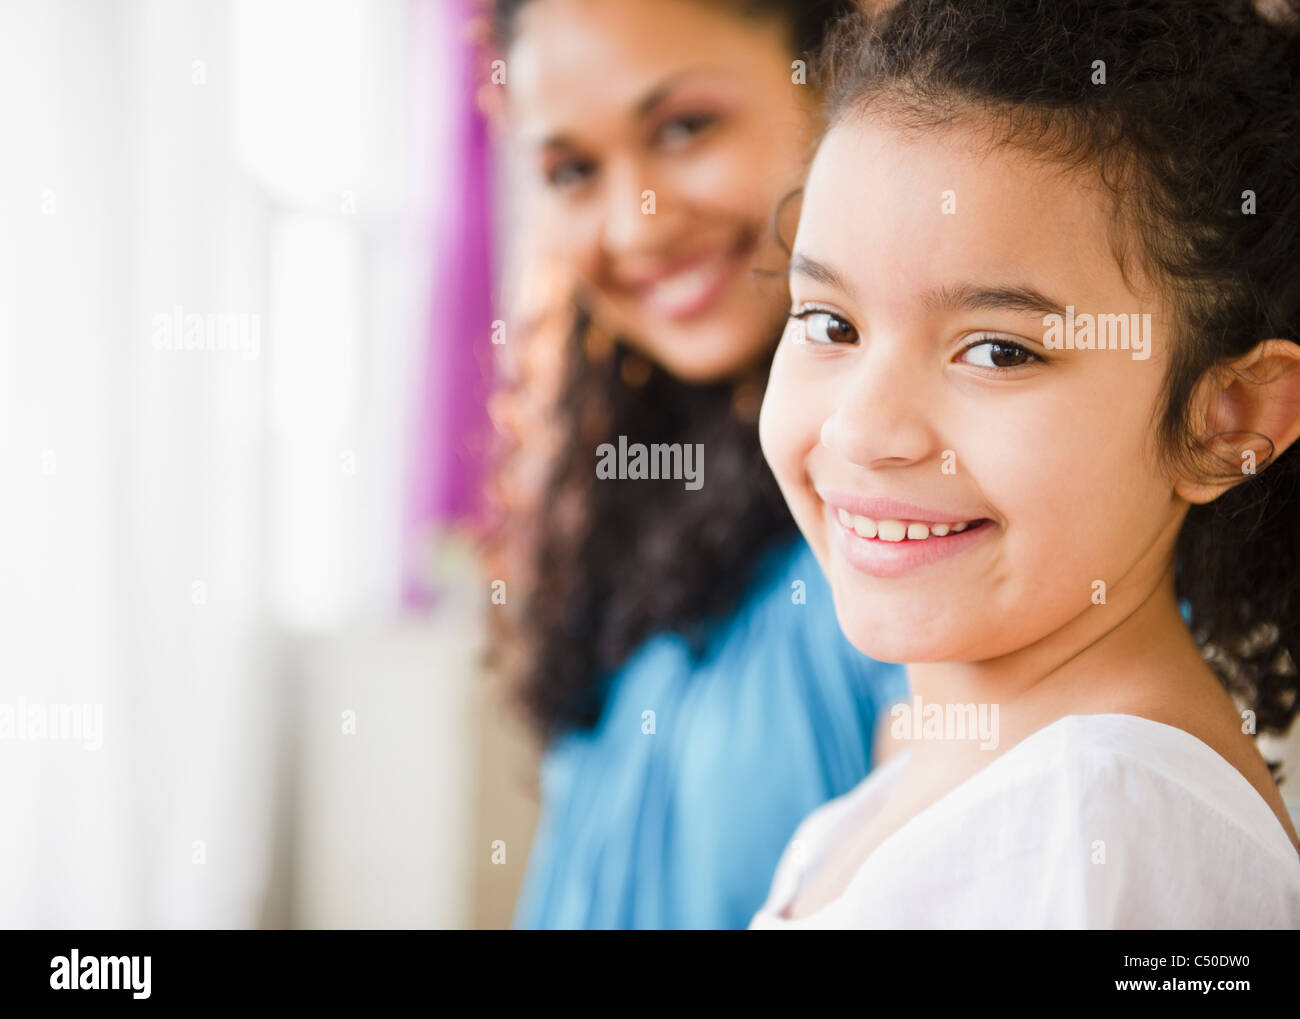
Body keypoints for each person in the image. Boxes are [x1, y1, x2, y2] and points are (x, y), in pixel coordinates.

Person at [751, 0, 1300, 928]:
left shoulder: (1098, 821)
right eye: (830, 323)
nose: (865, 429)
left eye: (1000, 350)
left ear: (1227, 418)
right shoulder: (907, 798)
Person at [479, 0, 908, 929]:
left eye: (683, 128)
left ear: (837, 84)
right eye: (573, 170)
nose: (634, 229)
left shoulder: (929, 515)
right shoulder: (621, 493)